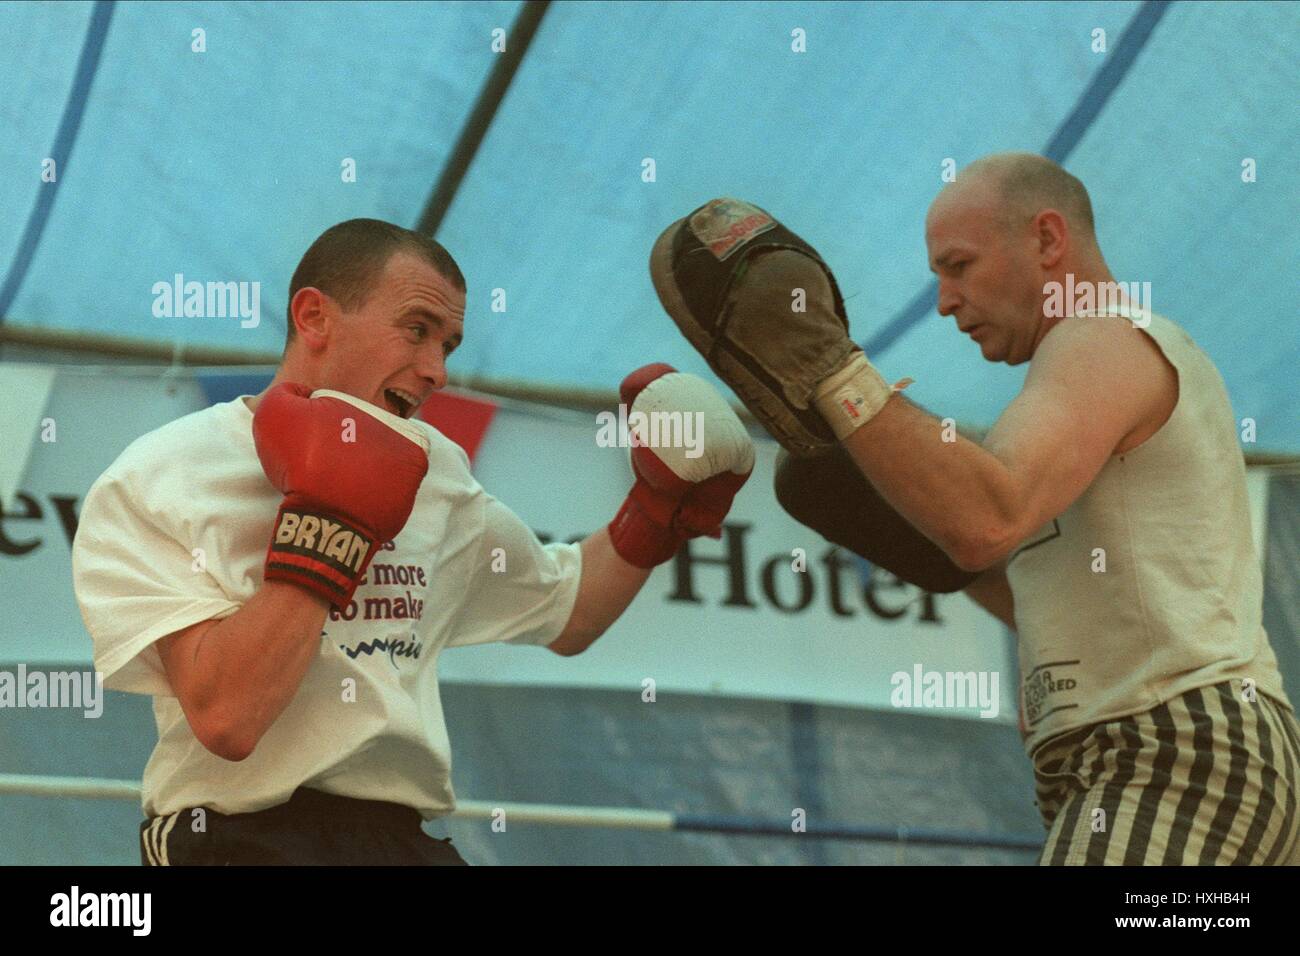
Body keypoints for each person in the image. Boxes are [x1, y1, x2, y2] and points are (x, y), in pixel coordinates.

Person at [651, 156, 1299, 865]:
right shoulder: (1075, 397)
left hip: (1170, 753)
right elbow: (1016, 565)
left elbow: (987, 516)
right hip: (1184, 757)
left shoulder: (1103, 335)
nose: (944, 301)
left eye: (959, 265)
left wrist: (828, 367)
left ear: (1048, 240)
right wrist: (921, 537)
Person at [72, 218, 753, 865]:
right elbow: (227, 719)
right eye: (417, 330)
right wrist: (330, 527)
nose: (436, 370)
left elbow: (569, 610)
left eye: (448, 345)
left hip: (402, 840)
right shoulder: (163, 475)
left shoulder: (436, 473)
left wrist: (655, 510)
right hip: (239, 836)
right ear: (313, 317)